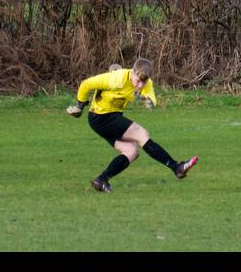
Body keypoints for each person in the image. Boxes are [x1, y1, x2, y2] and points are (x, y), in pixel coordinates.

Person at [67, 57, 197, 193]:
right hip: (100, 117)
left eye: (143, 82)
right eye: (138, 81)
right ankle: (177, 168)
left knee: (132, 151)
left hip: (112, 116)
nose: (140, 85)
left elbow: (150, 96)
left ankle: (101, 180)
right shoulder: (115, 79)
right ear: (133, 72)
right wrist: (80, 105)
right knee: (142, 134)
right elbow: (86, 84)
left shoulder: (146, 83)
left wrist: (149, 101)